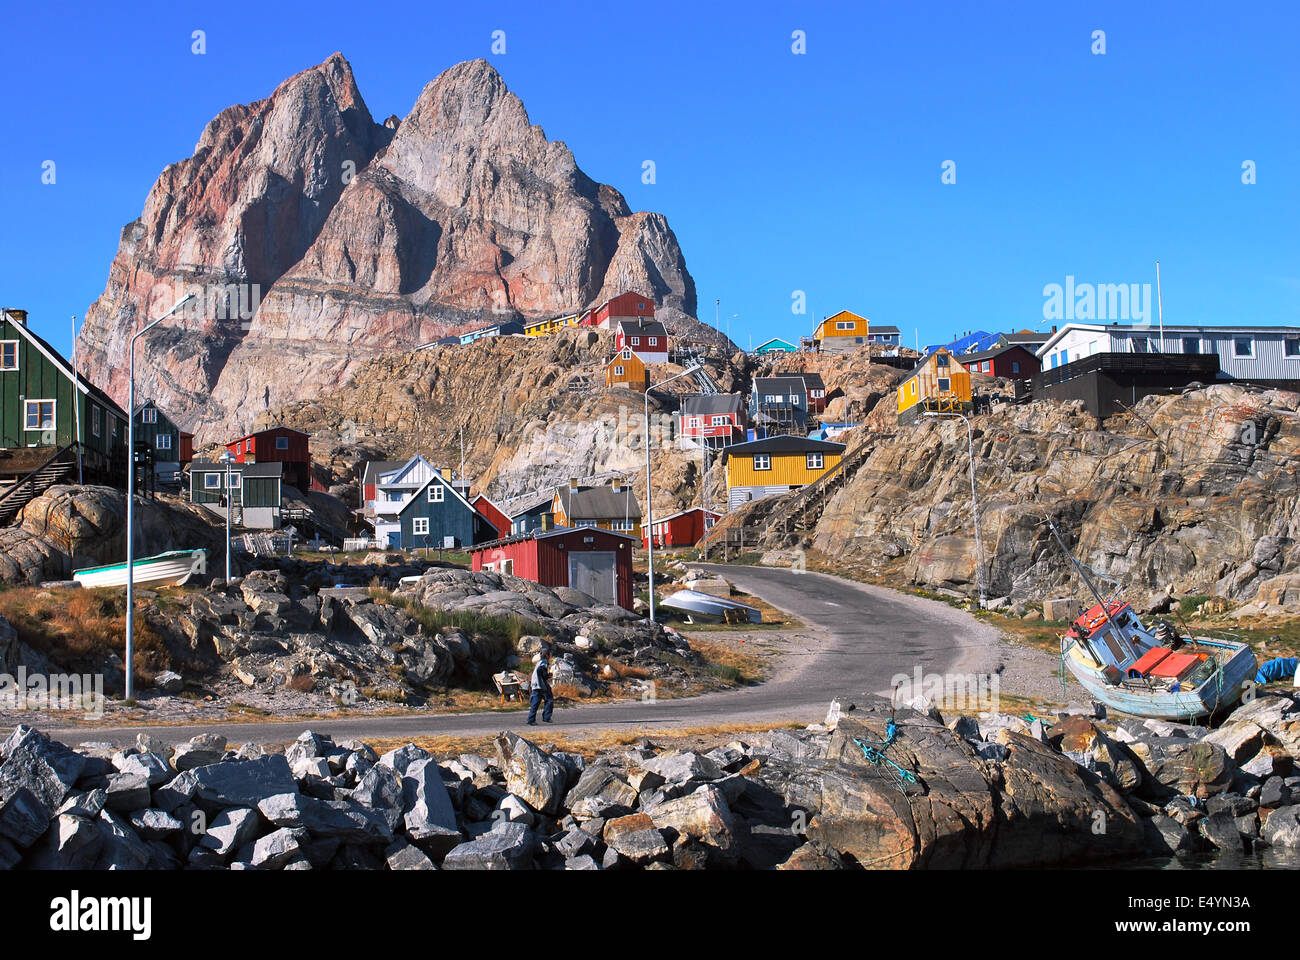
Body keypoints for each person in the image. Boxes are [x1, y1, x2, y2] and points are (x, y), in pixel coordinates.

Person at [526, 642, 555, 725]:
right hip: (541, 685)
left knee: (535, 703)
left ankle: (531, 719)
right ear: (546, 655)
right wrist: (547, 675)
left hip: (535, 685)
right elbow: (541, 671)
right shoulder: (544, 662)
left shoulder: (539, 662)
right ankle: (546, 717)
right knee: (549, 699)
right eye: (549, 655)